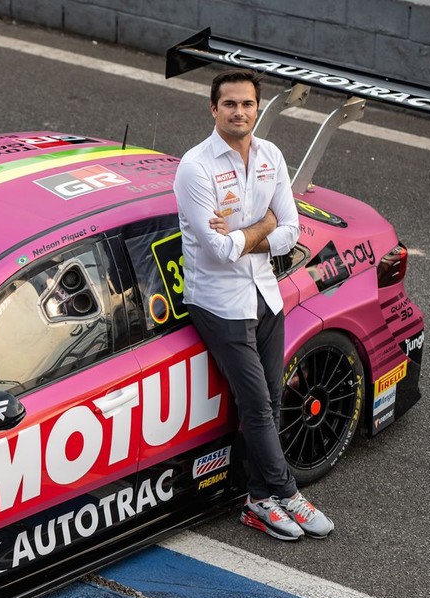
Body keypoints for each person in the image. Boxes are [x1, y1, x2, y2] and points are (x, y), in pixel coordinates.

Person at [173, 68, 334, 541]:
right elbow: (222, 251)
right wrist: (264, 227)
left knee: (267, 400)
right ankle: (287, 494)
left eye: (247, 104)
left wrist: (250, 234)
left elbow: (292, 232)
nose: (239, 112)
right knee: (258, 404)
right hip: (218, 303)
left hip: (265, 293)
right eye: (230, 104)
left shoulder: (272, 155)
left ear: (258, 108)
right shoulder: (195, 167)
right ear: (213, 109)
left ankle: (258, 500)